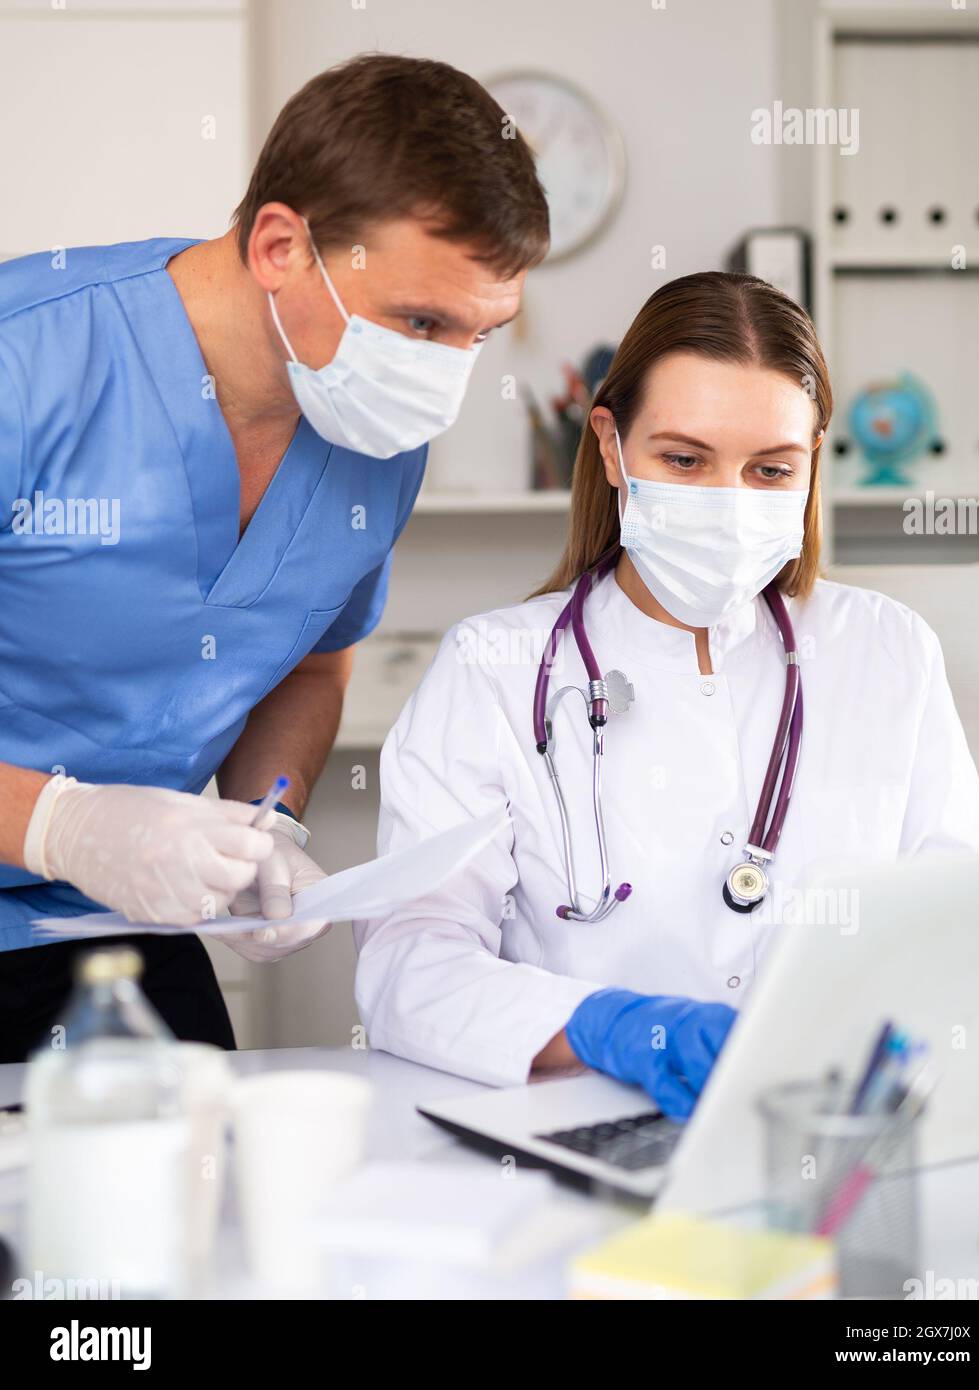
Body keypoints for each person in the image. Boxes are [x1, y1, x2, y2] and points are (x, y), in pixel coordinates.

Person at [0, 54, 549, 1060]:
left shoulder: (373, 437)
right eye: (422, 322)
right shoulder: (24, 363)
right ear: (281, 245)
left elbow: (308, 658)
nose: (446, 375)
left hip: (114, 931)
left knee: (207, 1201)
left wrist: (270, 819)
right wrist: (61, 826)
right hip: (76, 875)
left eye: (482, 334)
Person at [354, 271, 979, 1118]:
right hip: (569, 1118)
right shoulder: (495, 667)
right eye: (684, 460)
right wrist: (601, 1025)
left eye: (770, 470)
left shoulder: (888, 651)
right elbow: (408, 962)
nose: (728, 505)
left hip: (820, 1129)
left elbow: (963, 926)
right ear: (614, 448)